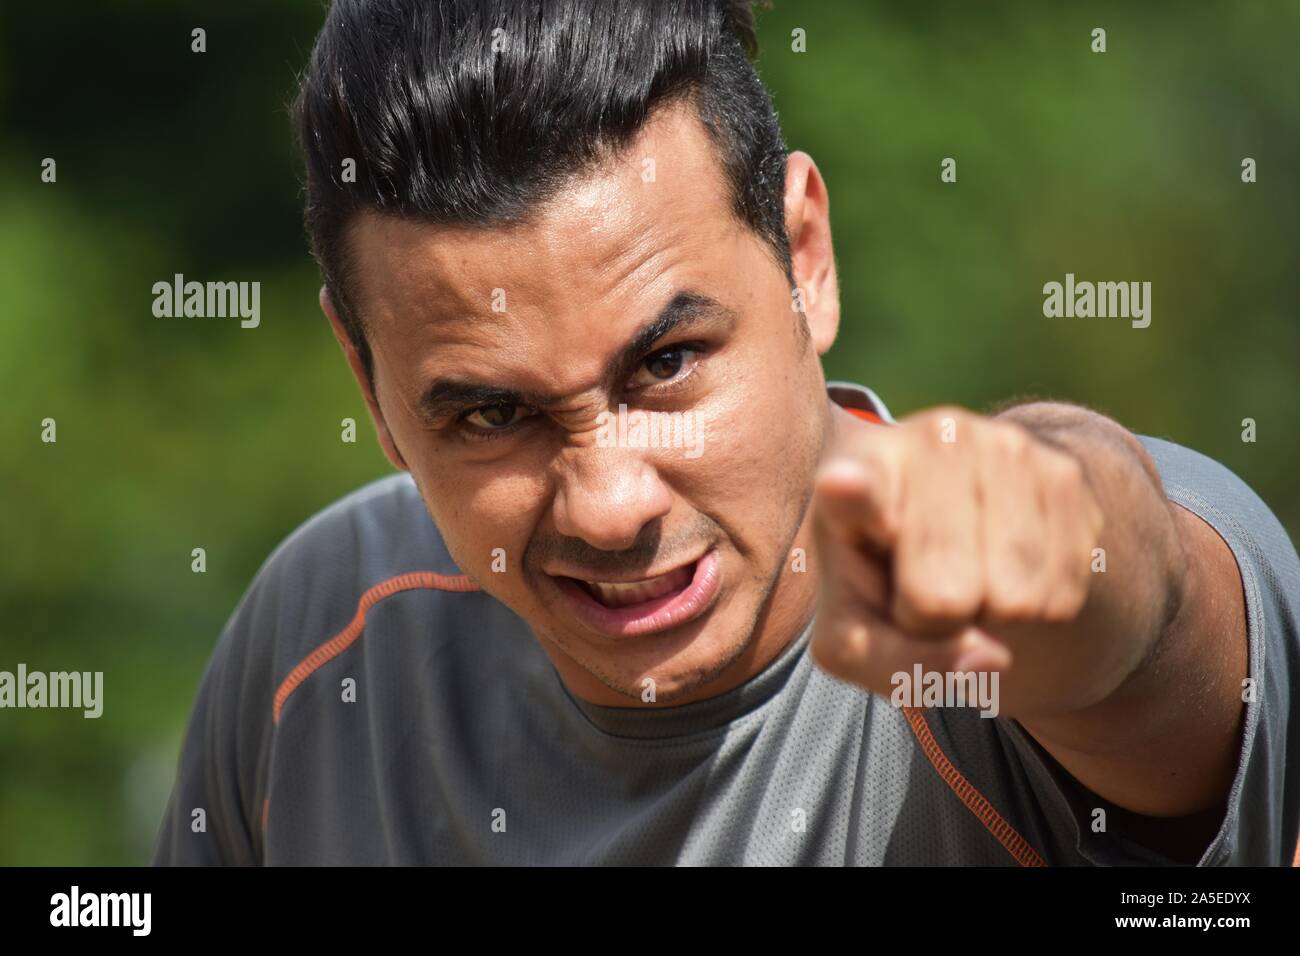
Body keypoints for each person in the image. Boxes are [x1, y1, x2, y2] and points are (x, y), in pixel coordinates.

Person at [154, 0, 1299, 865]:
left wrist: (1067, 524)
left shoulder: (984, 643)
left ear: (805, 256)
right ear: (369, 384)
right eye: (492, 415)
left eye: (665, 364)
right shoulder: (317, 642)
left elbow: (1145, 629)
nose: (608, 505)